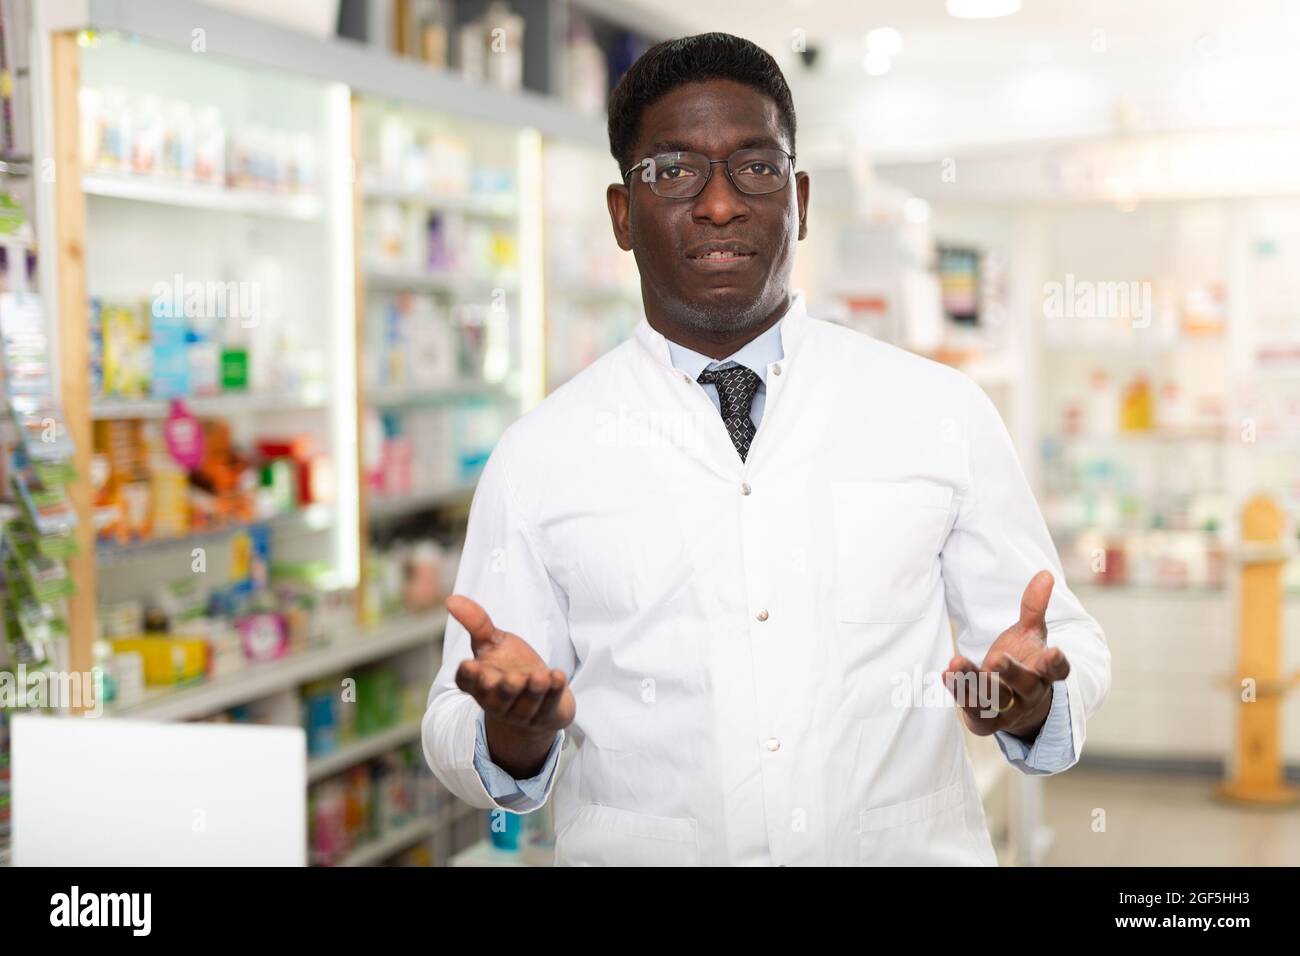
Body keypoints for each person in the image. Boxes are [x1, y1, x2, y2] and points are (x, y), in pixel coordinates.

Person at [422, 32, 1110, 866]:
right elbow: (456, 727)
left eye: (756, 167)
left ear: (802, 199)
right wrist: (510, 732)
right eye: (673, 170)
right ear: (620, 215)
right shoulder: (541, 454)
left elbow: (1057, 644)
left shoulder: (939, 411)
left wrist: (1027, 700)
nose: (720, 204)